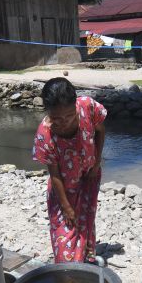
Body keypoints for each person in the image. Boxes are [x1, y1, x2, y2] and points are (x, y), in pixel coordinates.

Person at [32, 78, 106, 263]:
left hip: (89, 176)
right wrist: (65, 206)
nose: (64, 122)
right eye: (57, 118)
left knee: (86, 221)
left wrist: (96, 162)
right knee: (64, 230)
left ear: (75, 105)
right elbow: (54, 174)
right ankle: (66, 266)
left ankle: (86, 260)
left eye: (69, 116)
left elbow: (100, 131)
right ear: (48, 112)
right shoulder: (45, 134)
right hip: (63, 189)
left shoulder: (87, 107)